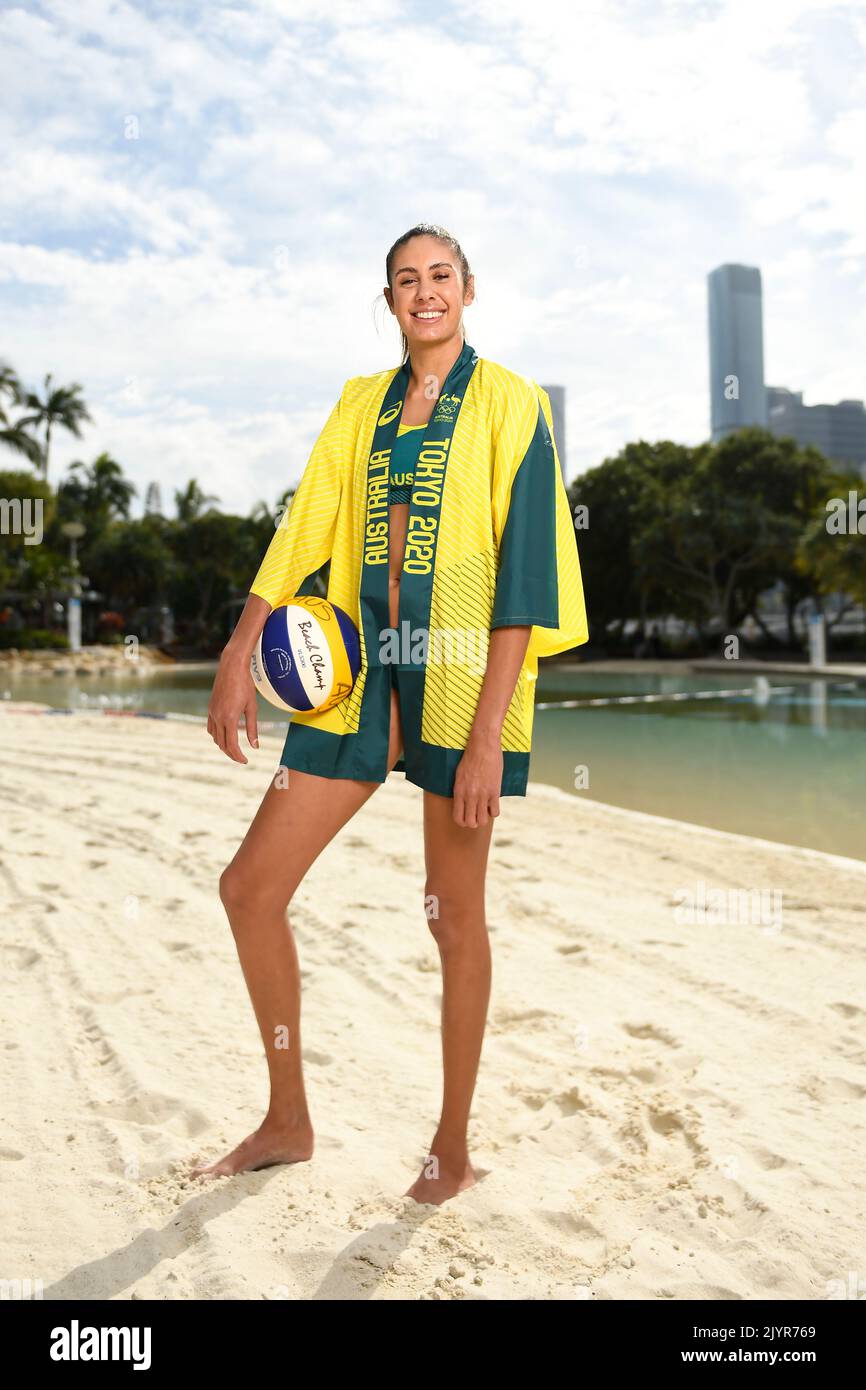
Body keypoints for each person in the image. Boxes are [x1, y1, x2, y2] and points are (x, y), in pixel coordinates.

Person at [195, 223, 589, 1205]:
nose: (424, 292)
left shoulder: (509, 406)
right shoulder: (358, 405)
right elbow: (304, 525)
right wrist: (240, 649)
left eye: (440, 276)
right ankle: (288, 1118)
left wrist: (490, 735)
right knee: (249, 887)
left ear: (467, 290)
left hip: (460, 687)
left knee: (453, 921)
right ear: (388, 301)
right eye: (405, 280)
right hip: (355, 675)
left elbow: (524, 576)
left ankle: (450, 1146)